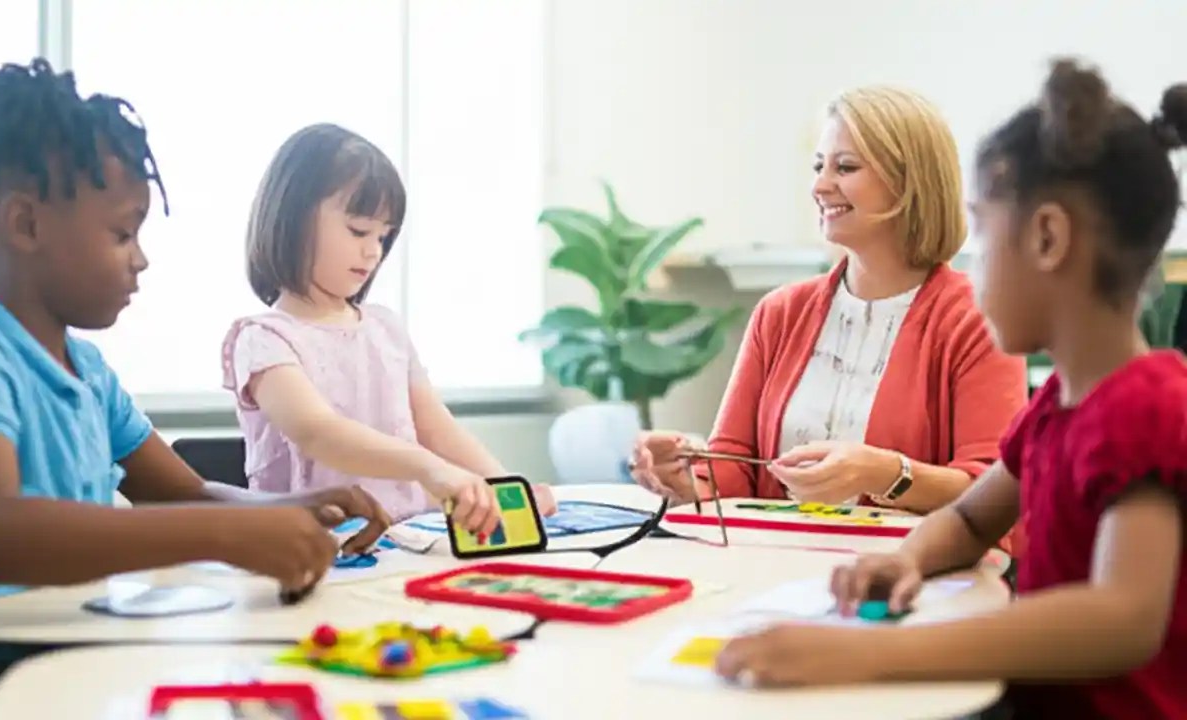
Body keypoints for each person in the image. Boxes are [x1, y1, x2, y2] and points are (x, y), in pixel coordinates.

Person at [0, 59, 393, 720]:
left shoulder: (89, 373)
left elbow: (183, 491)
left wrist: (289, 508)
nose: (140, 257)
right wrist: (222, 535)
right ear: (26, 225)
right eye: (120, 233)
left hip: (67, 668)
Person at [714, 60, 1187, 720]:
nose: (971, 261)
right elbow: (969, 520)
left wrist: (864, 653)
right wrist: (905, 559)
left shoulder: (1149, 408)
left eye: (986, 232)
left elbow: (1122, 618)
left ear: (1048, 237)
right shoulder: (1059, 408)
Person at [630, 86, 1026, 515]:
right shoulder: (779, 313)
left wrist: (886, 474)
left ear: (910, 182)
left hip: (911, 574)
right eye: (819, 166)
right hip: (780, 562)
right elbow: (735, 471)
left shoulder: (977, 318)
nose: (820, 185)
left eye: (846, 167)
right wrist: (685, 473)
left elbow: (996, 491)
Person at [221, 123, 557, 536]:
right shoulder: (263, 339)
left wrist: (505, 488)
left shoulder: (385, 327)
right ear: (292, 219)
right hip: (313, 548)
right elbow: (318, 433)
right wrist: (430, 468)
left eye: (383, 237)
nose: (372, 251)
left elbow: (436, 426)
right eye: (359, 231)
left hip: (405, 539)